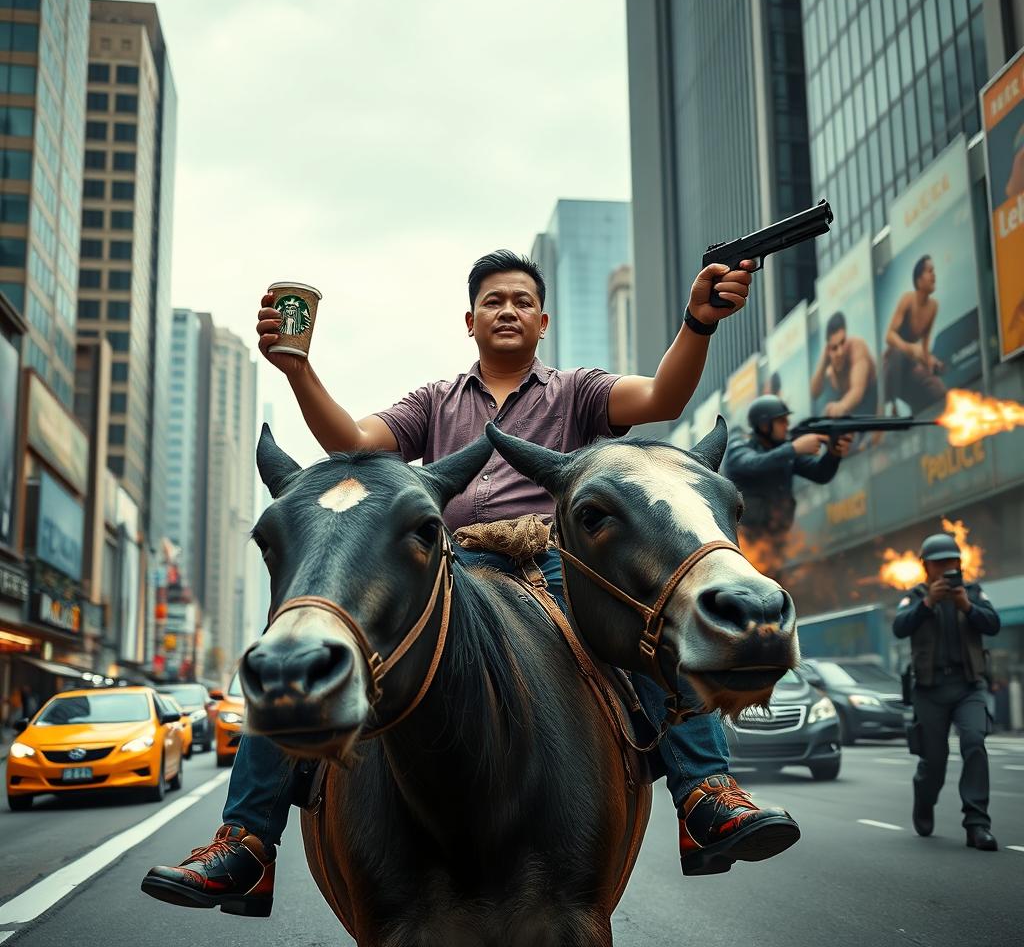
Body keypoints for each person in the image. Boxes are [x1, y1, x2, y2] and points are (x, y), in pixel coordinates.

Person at [142, 250, 801, 916]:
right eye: (492, 301)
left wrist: (699, 322)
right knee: (302, 635)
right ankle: (248, 838)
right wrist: (299, 371)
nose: (507, 310)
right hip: (449, 570)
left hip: (552, 568)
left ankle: (706, 791)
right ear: (469, 321)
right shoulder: (433, 400)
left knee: (651, 614)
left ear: (542, 321)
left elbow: (662, 395)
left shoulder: (578, 390)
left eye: (520, 301)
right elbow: (354, 441)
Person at [892, 532, 1001, 850]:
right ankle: (924, 802)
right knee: (933, 761)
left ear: (959, 565)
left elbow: (993, 624)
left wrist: (967, 606)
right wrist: (928, 603)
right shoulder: (915, 596)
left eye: (951, 563)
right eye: (938, 564)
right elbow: (900, 627)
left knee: (974, 743)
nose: (945, 569)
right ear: (926, 567)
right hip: (930, 689)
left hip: (968, 686)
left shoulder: (973, 593)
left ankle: (977, 824)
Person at [722, 394, 852, 548]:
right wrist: (794, 448)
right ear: (765, 425)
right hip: (743, 541)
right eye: (781, 421)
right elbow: (753, 463)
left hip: (775, 539)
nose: (787, 426)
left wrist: (833, 454)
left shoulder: (782, 449)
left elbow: (820, 474)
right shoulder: (741, 444)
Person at [882, 256, 945, 412]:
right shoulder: (908, 300)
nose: (933, 275)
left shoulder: (933, 306)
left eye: (934, 271)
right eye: (929, 271)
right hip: (892, 364)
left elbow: (924, 345)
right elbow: (889, 336)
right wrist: (910, 349)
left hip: (912, 365)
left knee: (938, 389)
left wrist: (931, 362)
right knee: (898, 354)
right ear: (918, 280)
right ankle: (893, 406)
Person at [810, 311, 878, 418]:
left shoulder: (857, 347)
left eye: (842, 342)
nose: (840, 352)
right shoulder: (827, 355)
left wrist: (841, 406)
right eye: (834, 347)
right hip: (849, 406)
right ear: (828, 347)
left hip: (871, 398)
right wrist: (823, 363)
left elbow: (858, 389)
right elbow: (814, 392)